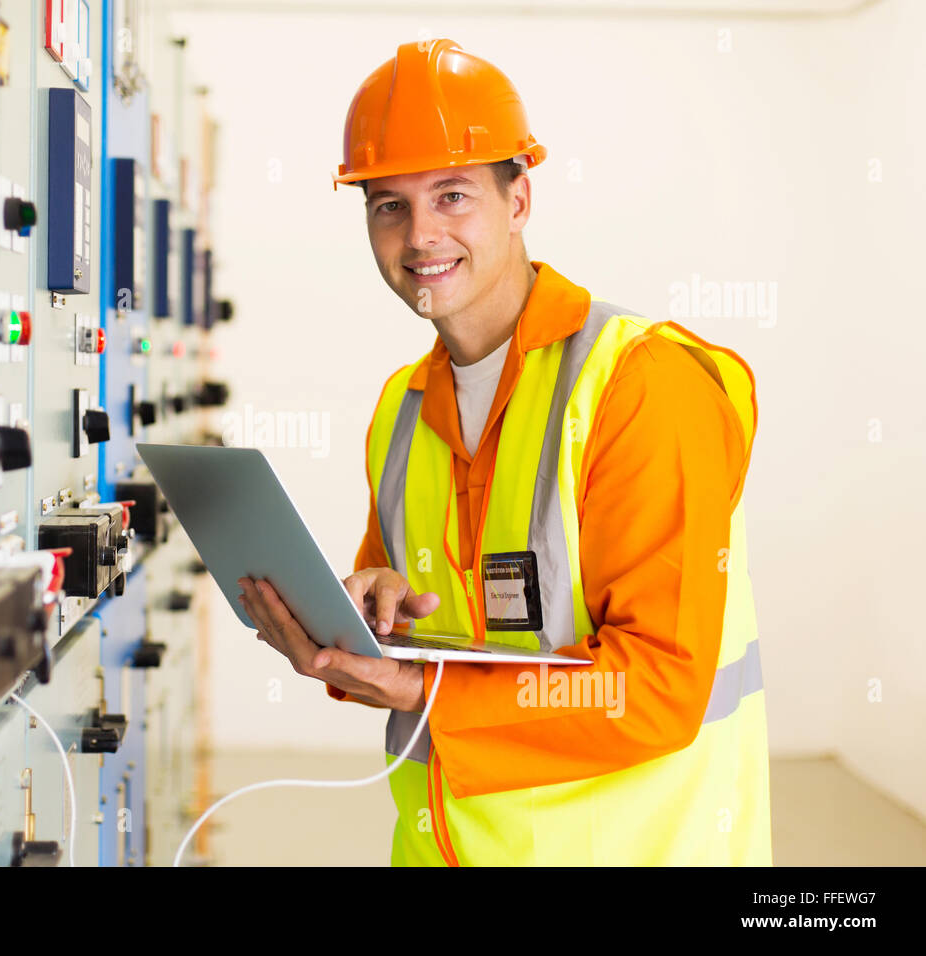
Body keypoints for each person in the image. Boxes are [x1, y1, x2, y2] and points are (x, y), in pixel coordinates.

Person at [236, 38, 771, 866]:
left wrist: (425, 690)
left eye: (452, 195)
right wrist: (356, 625)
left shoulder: (640, 384)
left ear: (518, 198)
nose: (420, 237)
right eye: (388, 205)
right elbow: (411, 637)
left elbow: (660, 688)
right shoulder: (404, 410)